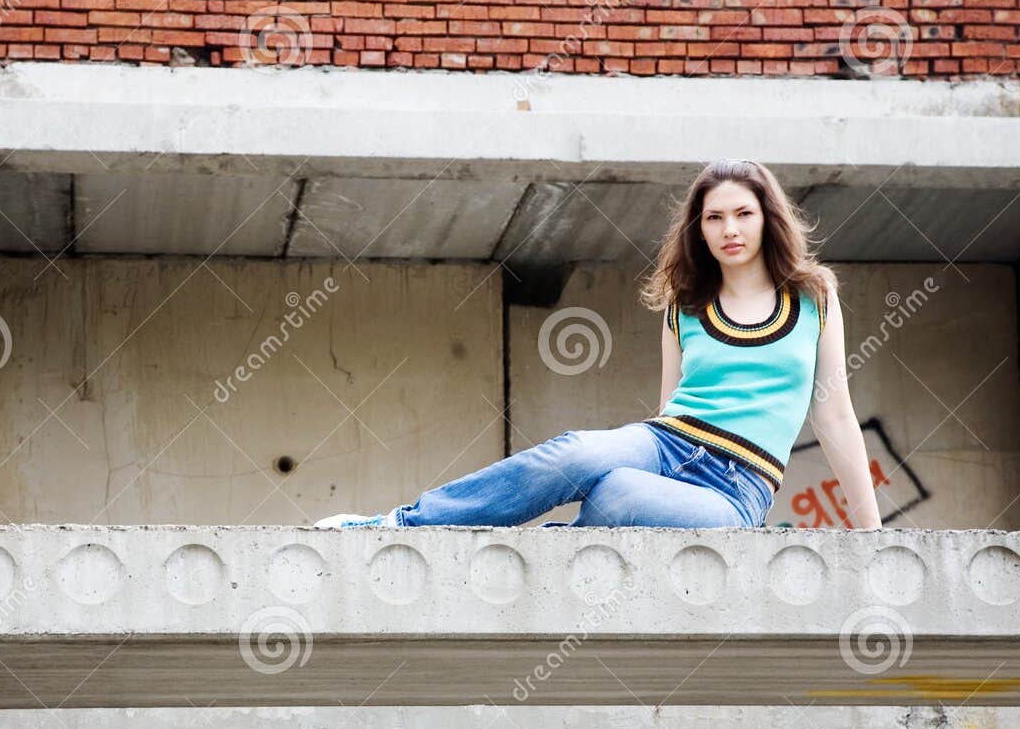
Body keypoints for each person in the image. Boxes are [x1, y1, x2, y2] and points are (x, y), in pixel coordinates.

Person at [315, 158, 883, 531]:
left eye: (743, 214)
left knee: (615, 495)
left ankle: (547, 554)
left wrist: (871, 535)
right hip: (667, 444)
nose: (729, 229)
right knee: (577, 455)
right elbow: (667, 408)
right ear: (699, 228)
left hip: (736, 490)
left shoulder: (814, 295)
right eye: (714, 217)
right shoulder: (684, 303)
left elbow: (834, 415)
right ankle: (399, 526)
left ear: (767, 219)